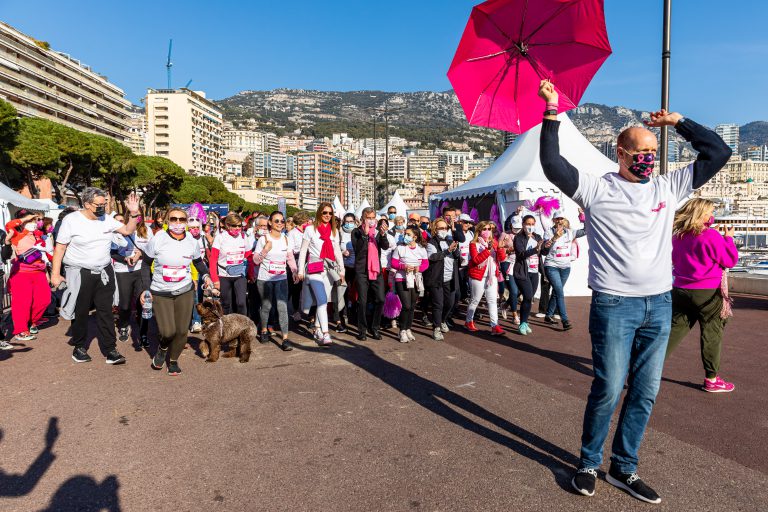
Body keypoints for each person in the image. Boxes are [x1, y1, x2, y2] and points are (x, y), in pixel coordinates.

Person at [538, 79, 731, 503]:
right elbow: (553, 164)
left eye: (651, 153)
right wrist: (552, 110)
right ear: (620, 154)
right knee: (608, 387)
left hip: (660, 304)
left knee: (645, 391)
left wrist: (677, 121)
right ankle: (589, 463)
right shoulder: (596, 188)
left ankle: (624, 468)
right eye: (639, 153)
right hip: (614, 305)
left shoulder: (668, 187)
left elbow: (718, 152)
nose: (647, 159)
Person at [51, 188, 143, 365]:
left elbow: (127, 230)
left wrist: (133, 213)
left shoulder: (106, 219)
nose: (102, 207)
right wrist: (55, 274)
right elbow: (60, 248)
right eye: (98, 205)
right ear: (86, 204)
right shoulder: (71, 220)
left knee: (106, 311)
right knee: (81, 311)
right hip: (80, 272)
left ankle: (111, 350)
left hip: (104, 272)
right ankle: (79, 347)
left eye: (104, 204)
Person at [665, 199, 739, 392]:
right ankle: (712, 379)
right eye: (709, 212)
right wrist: (728, 239)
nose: (711, 216)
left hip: (681, 290)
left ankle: (644, 371)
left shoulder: (677, 237)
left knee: (673, 332)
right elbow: (730, 260)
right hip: (707, 293)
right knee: (711, 334)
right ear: (701, 214)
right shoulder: (711, 235)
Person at [140, 207, 212, 375]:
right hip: (160, 291)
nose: (178, 223)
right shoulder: (159, 238)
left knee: (181, 331)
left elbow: (198, 262)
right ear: (167, 221)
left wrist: (206, 275)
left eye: (181, 219)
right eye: (174, 219)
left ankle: (173, 360)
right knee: (168, 331)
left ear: (186, 222)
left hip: (185, 290)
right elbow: (145, 264)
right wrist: (145, 289)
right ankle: (162, 348)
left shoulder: (192, 242)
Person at [297, 203, 346, 345]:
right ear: (319, 213)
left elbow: (337, 252)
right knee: (323, 300)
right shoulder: (310, 229)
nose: (327, 215)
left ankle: (317, 329)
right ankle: (325, 334)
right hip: (314, 267)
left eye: (330, 213)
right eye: (325, 212)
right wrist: (300, 270)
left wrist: (341, 270)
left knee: (321, 302)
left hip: (329, 268)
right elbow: (303, 251)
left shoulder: (334, 231)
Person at [253, 211, 297, 351]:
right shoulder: (263, 239)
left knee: (282, 307)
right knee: (266, 306)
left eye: (282, 221)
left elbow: (290, 258)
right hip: (265, 278)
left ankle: (285, 338)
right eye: (277, 221)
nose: (280, 224)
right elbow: (255, 260)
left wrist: (295, 271)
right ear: (270, 223)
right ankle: (264, 329)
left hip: (281, 278)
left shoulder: (286, 239)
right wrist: (265, 250)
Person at [5, 210, 50, 342]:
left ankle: (32, 321)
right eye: (30, 221)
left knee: (44, 300)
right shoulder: (17, 234)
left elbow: (43, 255)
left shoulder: (38, 235)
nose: (33, 223)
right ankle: (20, 330)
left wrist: (48, 273)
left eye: (34, 221)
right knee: (22, 303)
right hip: (22, 273)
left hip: (39, 272)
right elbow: (9, 225)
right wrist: (27, 218)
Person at [111, 210, 153, 348]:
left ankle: (143, 333)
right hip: (122, 270)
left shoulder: (147, 230)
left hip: (141, 269)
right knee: (124, 304)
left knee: (144, 303)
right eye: (133, 215)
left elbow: (152, 251)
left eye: (139, 215)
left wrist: (139, 255)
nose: (137, 218)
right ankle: (123, 325)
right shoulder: (117, 231)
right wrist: (125, 258)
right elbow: (112, 253)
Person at [540, 210, 586, 331]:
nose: (559, 221)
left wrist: (582, 217)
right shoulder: (548, 232)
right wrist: (555, 237)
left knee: (557, 292)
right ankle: (565, 320)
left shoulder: (570, 232)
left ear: (564, 220)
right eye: (557, 219)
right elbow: (545, 247)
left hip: (565, 267)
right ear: (553, 220)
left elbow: (586, 230)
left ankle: (548, 315)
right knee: (559, 292)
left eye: (561, 219)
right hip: (551, 266)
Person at [350, 207, 390, 341]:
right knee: (362, 301)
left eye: (373, 218)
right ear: (363, 219)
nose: (371, 220)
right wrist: (365, 235)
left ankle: (375, 327)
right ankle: (362, 329)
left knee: (380, 299)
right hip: (362, 271)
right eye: (368, 218)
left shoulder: (378, 232)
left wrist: (383, 235)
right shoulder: (356, 232)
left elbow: (385, 246)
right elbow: (358, 249)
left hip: (376, 270)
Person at [465, 221, 506, 336]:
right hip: (478, 276)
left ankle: (495, 325)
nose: (487, 231)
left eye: (489, 229)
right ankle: (468, 321)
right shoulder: (473, 244)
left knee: (492, 301)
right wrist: (487, 250)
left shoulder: (495, 242)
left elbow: (501, 259)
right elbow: (476, 260)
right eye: (484, 229)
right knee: (475, 300)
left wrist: (501, 249)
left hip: (491, 276)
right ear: (479, 231)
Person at [423, 218, 461, 341]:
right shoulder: (431, 243)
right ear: (435, 229)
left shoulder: (450, 240)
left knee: (450, 303)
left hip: (450, 277)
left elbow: (457, 256)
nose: (444, 230)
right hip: (437, 278)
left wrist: (455, 250)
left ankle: (443, 320)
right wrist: (447, 251)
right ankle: (436, 328)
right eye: (441, 228)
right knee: (438, 304)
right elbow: (432, 257)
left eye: (446, 228)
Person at [210, 213, 253, 316]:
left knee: (241, 303)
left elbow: (249, 256)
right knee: (225, 304)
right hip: (224, 275)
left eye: (239, 226)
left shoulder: (243, 236)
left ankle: (243, 327)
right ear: (228, 225)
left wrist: (251, 274)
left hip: (240, 275)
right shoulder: (220, 237)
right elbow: (213, 259)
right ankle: (226, 327)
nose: (237, 228)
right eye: (234, 225)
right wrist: (215, 279)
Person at [391, 226, 428, 343]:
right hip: (402, 279)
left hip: (416, 279)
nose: (405, 236)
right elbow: (394, 263)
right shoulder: (400, 248)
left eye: (408, 234)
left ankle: (408, 329)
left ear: (415, 237)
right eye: (405, 234)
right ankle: (401, 330)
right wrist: (404, 266)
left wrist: (419, 268)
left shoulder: (421, 249)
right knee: (406, 305)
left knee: (412, 306)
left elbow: (426, 263)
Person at [512, 215, 543, 335]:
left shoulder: (537, 237)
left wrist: (546, 246)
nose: (530, 226)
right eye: (528, 224)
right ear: (523, 225)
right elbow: (521, 254)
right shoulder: (519, 238)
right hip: (522, 271)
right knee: (528, 296)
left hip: (534, 272)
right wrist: (535, 249)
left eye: (532, 224)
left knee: (529, 299)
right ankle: (522, 324)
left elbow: (544, 252)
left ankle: (524, 321)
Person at [287, 211, 310, 322]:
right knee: (294, 289)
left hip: (307, 260)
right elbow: (290, 251)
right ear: (302, 221)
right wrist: (294, 269)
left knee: (305, 289)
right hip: (296, 260)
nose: (308, 222)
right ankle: (294, 311)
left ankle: (307, 313)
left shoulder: (307, 232)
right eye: (307, 221)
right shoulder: (292, 233)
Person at [500, 212, 523, 325]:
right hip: (508, 263)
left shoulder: (524, 235)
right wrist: (509, 249)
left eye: (519, 228)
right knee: (513, 290)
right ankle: (515, 315)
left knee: (521, 290)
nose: (517, 230)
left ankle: (505, 305)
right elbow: (499, 249)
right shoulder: (505, 234)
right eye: (515, 228)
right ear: (510, 226)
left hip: (520, 264)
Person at [338, 213, 357, 330]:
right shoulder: (339, 233)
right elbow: (334, 249)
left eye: (351, 221)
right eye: (347, 221)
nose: (349, 223)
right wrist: (342, 252)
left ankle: (353, 313)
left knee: (355, 291)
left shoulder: (358, 233)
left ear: (355, 222)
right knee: (343, 290)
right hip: (344, 267)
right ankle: (342, 315)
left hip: (356, 267)